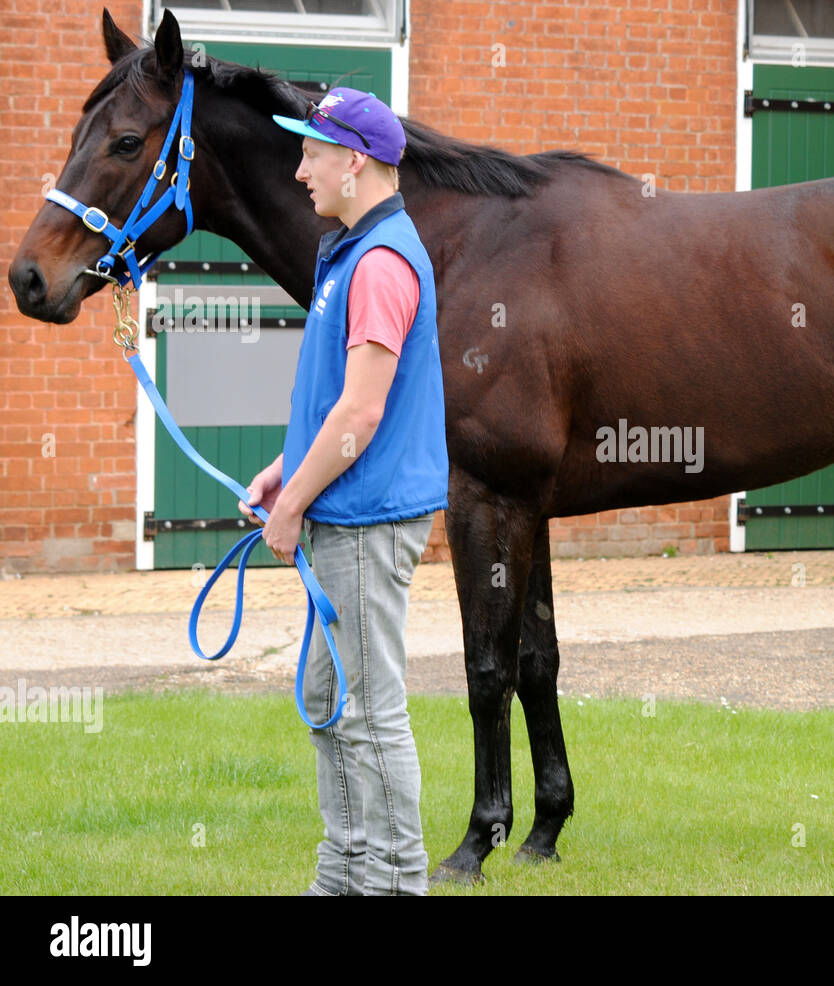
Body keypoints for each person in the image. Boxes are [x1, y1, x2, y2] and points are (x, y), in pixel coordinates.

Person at [240, 88, 448, 895]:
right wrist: (287, 468)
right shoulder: (353, 252)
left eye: (311, 154)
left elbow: (363, 410)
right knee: (331, 701)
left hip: (364, 522)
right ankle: (344, 875)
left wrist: (291, 507)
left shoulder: (383, 263)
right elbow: (341, 401)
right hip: (343, 513)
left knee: (367, 710)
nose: (300, 172)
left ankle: (395, 883)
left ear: (354, 159)